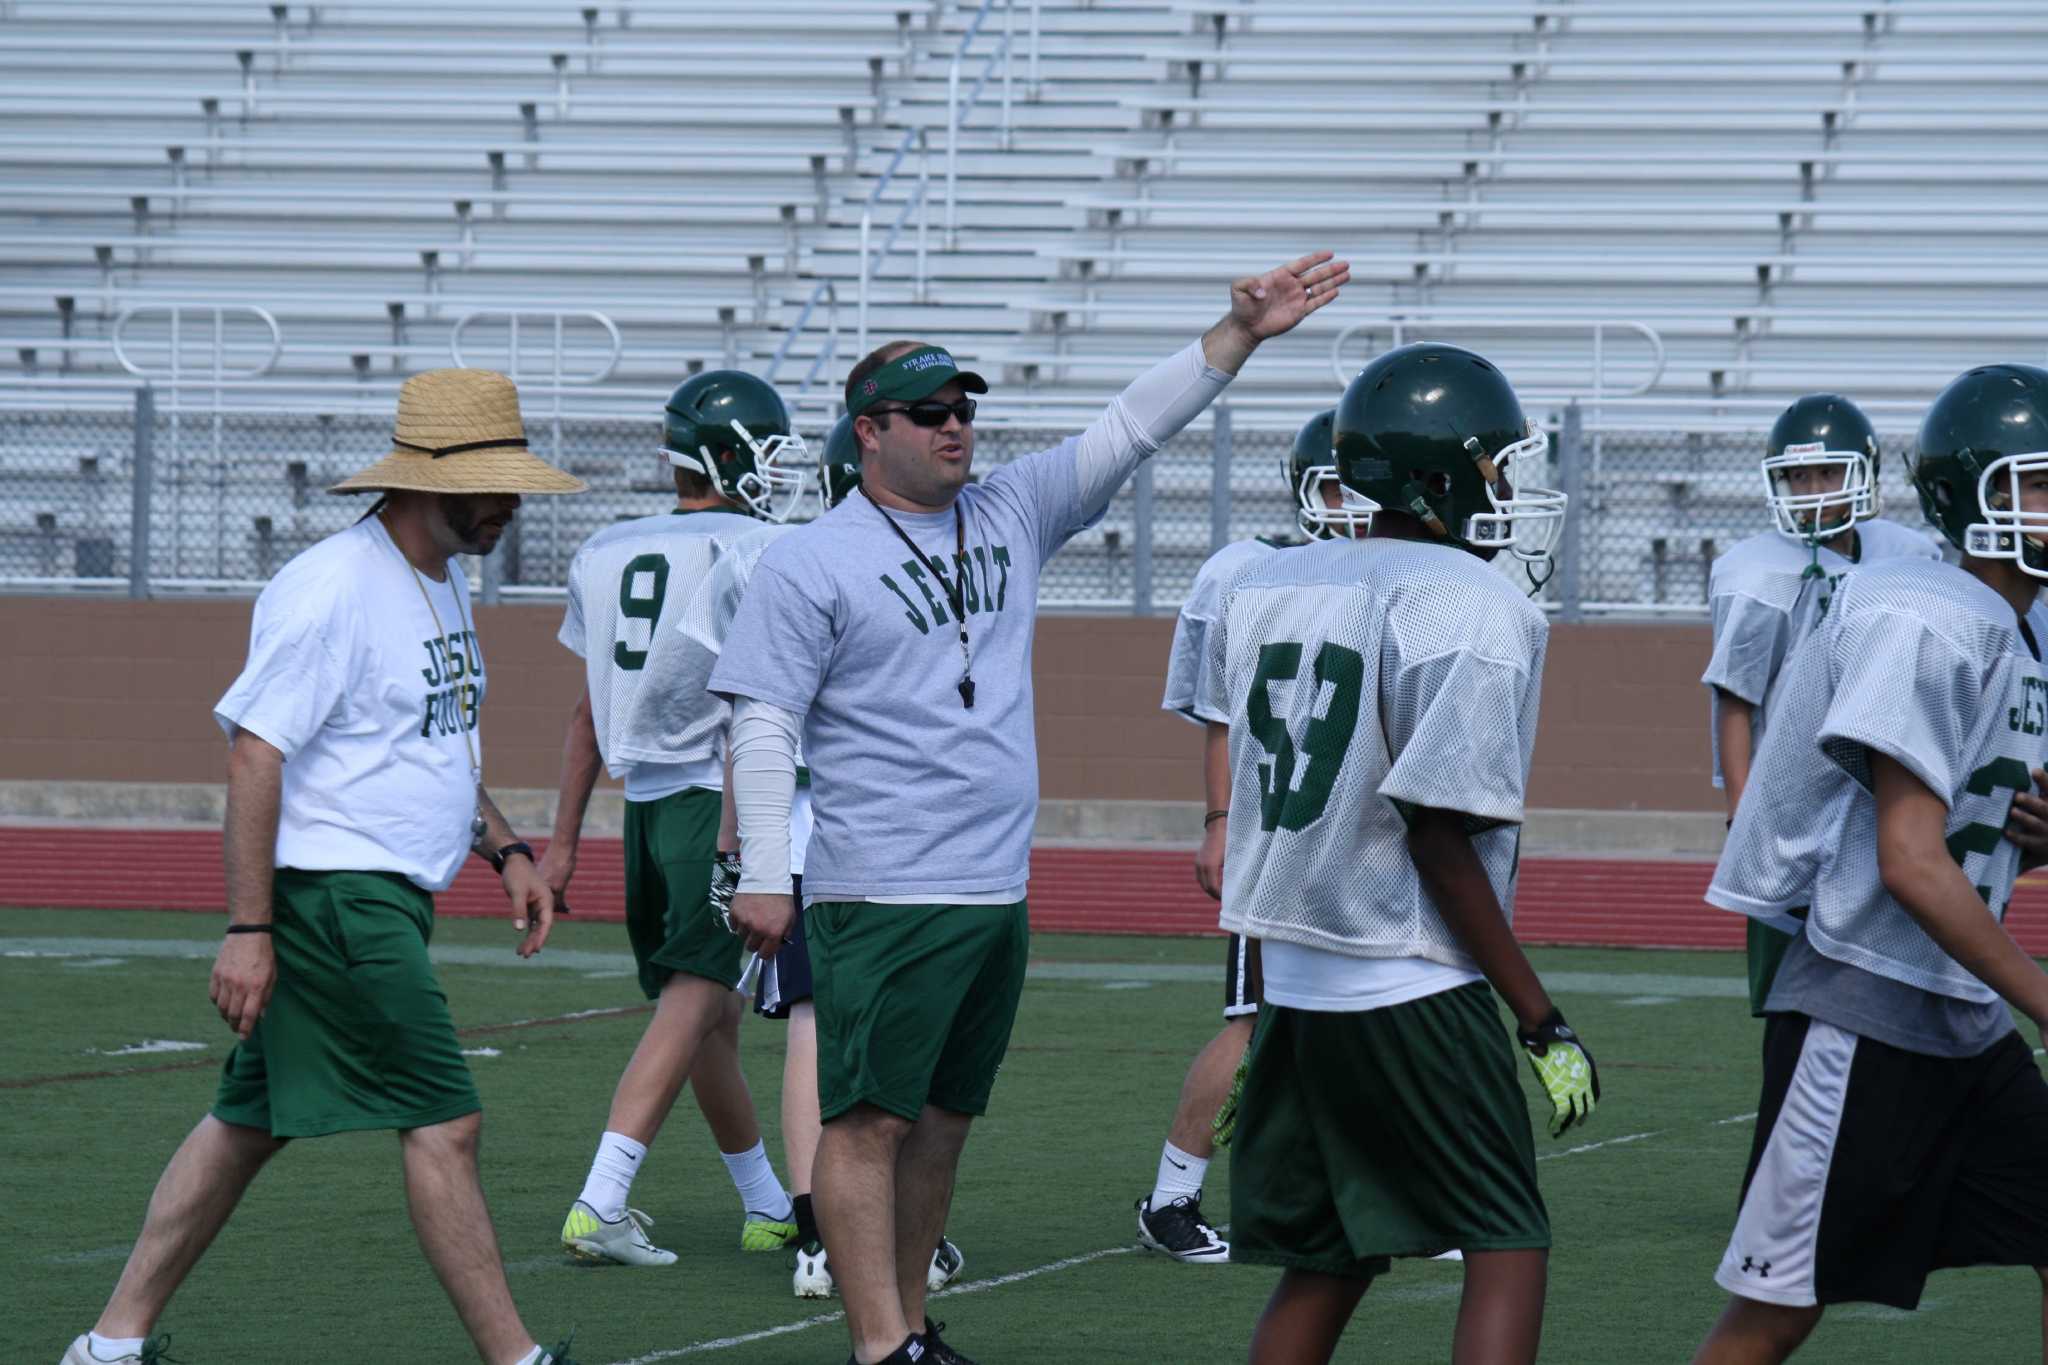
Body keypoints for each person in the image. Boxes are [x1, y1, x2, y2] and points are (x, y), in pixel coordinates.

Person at [710, 252, 1350, 1365]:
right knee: (867, 1123)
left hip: (992, 889)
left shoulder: (1007, 510)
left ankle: (909, 1326)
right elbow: (761, 720)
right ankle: (877, 1346)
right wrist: (767, 868)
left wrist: (1235, 333)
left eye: (963, 409)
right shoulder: (810, 559)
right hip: (880, 887)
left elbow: (1126, 429)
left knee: (944, 1123)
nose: (956, 427)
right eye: (928, 413)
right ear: (869, 432)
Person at [59, 368, 584, 1365]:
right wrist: (249, 931)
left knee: (246, 1123)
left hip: (374, 896)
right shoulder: (332, 586)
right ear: (425, 480)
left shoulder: (441, 575)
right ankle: (514, 1360)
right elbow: (256, 751)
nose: (512, 505)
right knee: (446, 1121)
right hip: (341, 901)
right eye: (495, 483)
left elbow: (422, 745)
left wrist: (504, 848)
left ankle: (108, 1346)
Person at [1204, 343, 1597, 1365]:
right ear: (1438, 475)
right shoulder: (1464, 601)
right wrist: (1537, 1016)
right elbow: (1434, 831)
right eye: (1494, 464)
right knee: (1506, 1239)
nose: (1508, 486)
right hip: (1404, 971)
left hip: (1294, 978)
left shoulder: (1269, 583)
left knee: (1329, 1256)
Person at [1693, 363, 2048, 1363]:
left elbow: (1956, 839)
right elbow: (1904, 860)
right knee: (1775, 1309)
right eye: (2036, 482)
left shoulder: (2014, 623)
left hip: (1952, 1008)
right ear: (1966, 490)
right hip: (1864, 1002)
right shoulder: (1923, 613)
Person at [661, 414, 967, 1299]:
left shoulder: (775, 560)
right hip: (870, 833)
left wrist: (734, 844)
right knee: (864, 1034)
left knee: (814, 1024)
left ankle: (819, 1227)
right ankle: (835, 1229)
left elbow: (743, 723)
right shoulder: (876, 563)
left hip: (798, 831)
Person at [542, 370, 809, 1266]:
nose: (776, 472)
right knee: (696, 1000)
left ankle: (767, 1204)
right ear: (726, 455)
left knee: (705, 1018)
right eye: (766, 452)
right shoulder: (759, 548)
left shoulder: (603, 547)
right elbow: (753, 702)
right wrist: (745, 839)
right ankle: (601, 1197)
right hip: (712, 799)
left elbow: (585, 713)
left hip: (643, 812)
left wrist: (564, 843)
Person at [1134, 407, 1337, 1266]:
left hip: (1361, 835)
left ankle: (1382, 1195)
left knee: (1374, 1019)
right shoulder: (1247, 571)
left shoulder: (1404, 567)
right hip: (1281, 827)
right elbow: (1221, 716)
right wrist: (1219, 822)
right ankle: (1173, 1196)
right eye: (1336, 484)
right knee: (1256, 1020)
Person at [1701, 394, 1939, 1016]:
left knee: (1891, 966)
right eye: (1796, 475)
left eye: (1827, 473)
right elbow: (1735, 698)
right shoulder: (1755, 573)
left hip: (1883, 778)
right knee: (1792, 988)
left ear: (1863, 472)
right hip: (1791, 792)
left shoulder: (1908, 554)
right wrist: (1740, 814)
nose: (1810, 489)